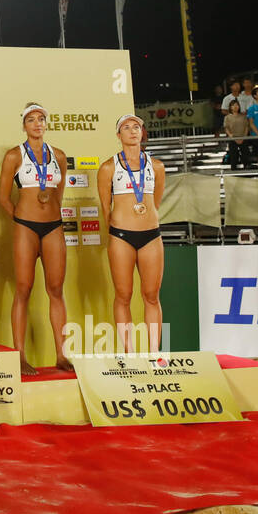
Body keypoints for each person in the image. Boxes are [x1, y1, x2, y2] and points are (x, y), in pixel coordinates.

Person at [0, 103, 70, 374]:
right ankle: (19, 355)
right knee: (24, 288)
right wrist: (20, 219)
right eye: (31, 120)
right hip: (25, 227)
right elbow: (3, 197)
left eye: (41, 119)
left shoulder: (59, 156)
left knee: (56, 289)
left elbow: (58, 194)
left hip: (53, 226)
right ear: (24, 125)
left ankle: (62, 355)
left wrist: (48, 211)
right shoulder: (14, 156)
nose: (37, 124)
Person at [97, 115, 166, 353]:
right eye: (126, 128)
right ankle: (128, 353)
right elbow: (105, 208)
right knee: (123, 294)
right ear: (118, 135)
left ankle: (154, 354)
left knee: (152, 295)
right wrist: (119, 227)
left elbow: (155, 202)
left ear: (142, 131)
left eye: (136, 126)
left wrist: (145, 216)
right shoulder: (108, 167)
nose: (132, 131)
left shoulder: (156, 166)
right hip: (121, 237)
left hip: (151, 236)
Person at [222, 100, 250, 168]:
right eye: (233, 105)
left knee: (245, 155)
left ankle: (247, 169)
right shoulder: (227, 117)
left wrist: (244, 137)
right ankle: (234, 170)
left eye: (237, 105)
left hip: (243, 138)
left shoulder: (243, 116)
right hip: (233, 138)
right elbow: (226, 128)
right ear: (230, 107)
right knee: (233, 156)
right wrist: (231, 136)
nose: (235, 107)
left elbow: (246, 127)